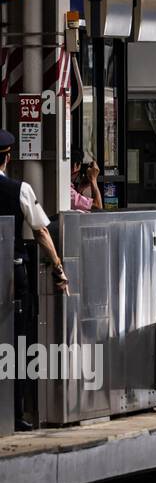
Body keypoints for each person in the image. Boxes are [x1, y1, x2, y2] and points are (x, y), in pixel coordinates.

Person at [0, 129, 68, 430]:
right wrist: (57, 268)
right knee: (16, 342)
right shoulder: (20, 189)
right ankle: (13, 414)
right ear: (8, 156)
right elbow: (41, 231)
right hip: (11, 276)